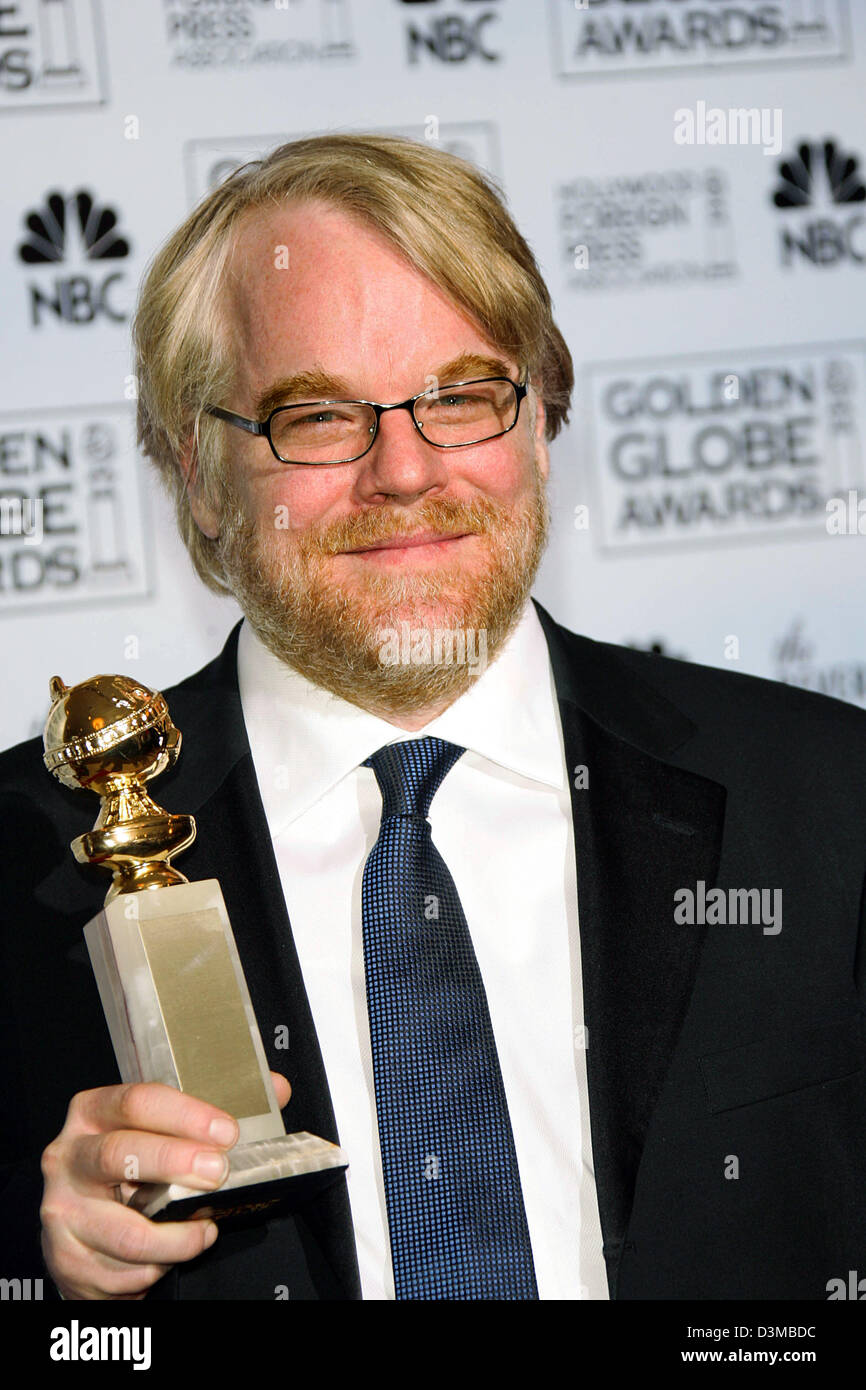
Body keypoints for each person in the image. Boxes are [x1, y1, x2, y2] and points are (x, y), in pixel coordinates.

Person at [1, 133, 865, 1302]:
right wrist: (47, 1279)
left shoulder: (825, 802)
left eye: (460, 396)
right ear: (199, 476)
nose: (404, 472)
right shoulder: (20, 864)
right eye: (314, 417)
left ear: (542, 415)